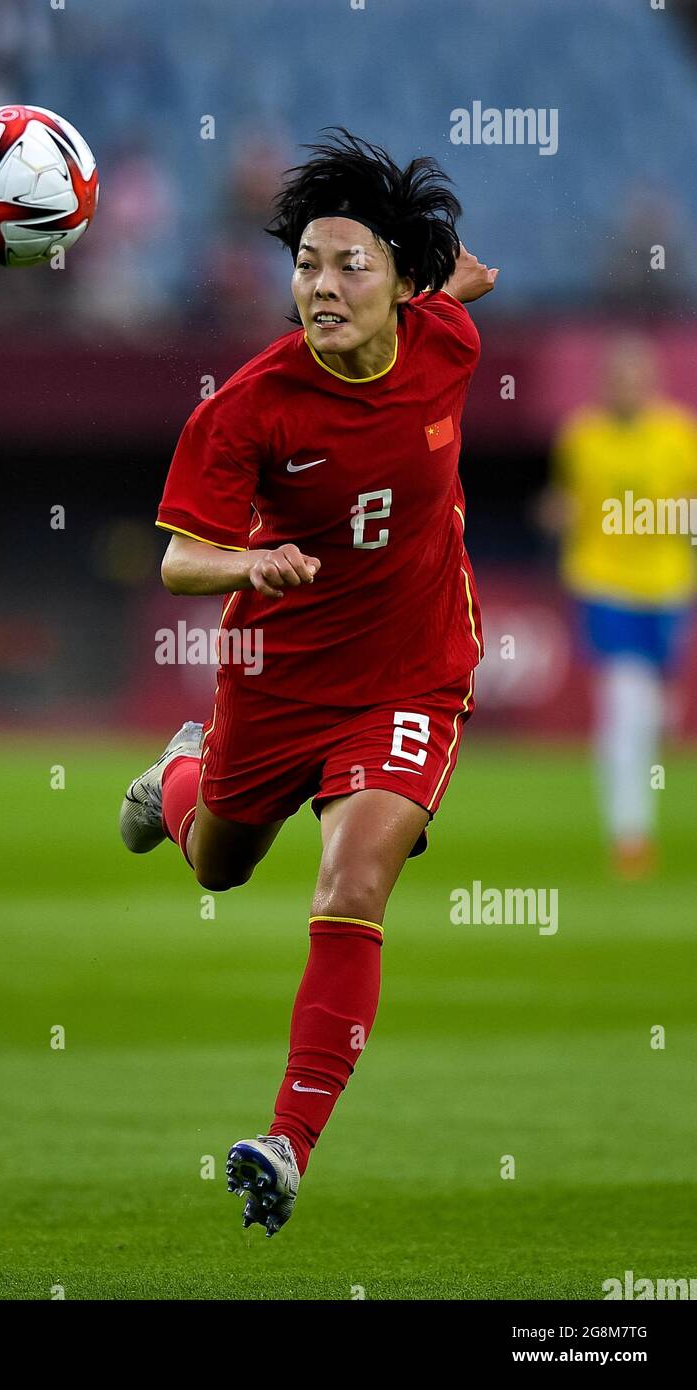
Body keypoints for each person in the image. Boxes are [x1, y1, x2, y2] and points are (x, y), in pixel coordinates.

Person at [119, 130, 496, 1235]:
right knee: (219, 868)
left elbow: (454, 285)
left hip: (415, 671)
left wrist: (444, 274)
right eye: (306, 266)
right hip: (277, 675)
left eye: (349, 267)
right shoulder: (248, 405)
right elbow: (180, 557)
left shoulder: (451, 343)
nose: (321, 288)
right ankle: (178, 774)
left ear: (398, 283)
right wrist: (251, 560)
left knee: (352, 882)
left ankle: (285, 1141)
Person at [540, 336, 697, 878]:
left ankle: (636, 816)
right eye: (618, 376)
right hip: (604, 585)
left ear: (652, 381)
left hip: (668, 587)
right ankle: (630, 835)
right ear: (605, 382)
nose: (627, 385)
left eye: (637, 376)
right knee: (625, 707)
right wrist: (557, 516)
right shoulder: (582, 437)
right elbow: (566, 502)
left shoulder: (680, 436)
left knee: (654, 715)